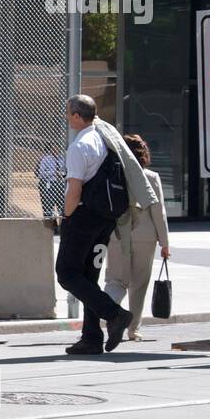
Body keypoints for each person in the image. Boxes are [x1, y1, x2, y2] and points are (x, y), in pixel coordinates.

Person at [58, 94, 158, 356]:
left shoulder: (80, 147)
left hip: (83, 217)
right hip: (105, 219)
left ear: (78, 116)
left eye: (69, 113)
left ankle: (115, 314)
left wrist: (66, 216)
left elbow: (74, 189)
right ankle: (91, 337)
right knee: (89, 277)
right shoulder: (105, 139)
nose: (67, 118)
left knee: (67, 273)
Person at [104, 134, 171, 342]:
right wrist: (164, 242)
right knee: (139, 284)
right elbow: (158, 211)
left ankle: (111, 316)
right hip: (145, 236)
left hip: (117, 235)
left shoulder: (113, 175)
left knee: (115, 281)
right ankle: (133, 329)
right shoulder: (151, 177)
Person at [38, 149, 64, 221]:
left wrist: (62, 173)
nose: (56, 149)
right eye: (54, 147)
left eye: (57, 147)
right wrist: (53, 172)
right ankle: (51, 223)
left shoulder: (62, 158)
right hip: (49, 183)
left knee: (62, 204)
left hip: (60, 183)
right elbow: (41, 173)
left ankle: (62, 224)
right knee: (49, 203)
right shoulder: (46, 159)